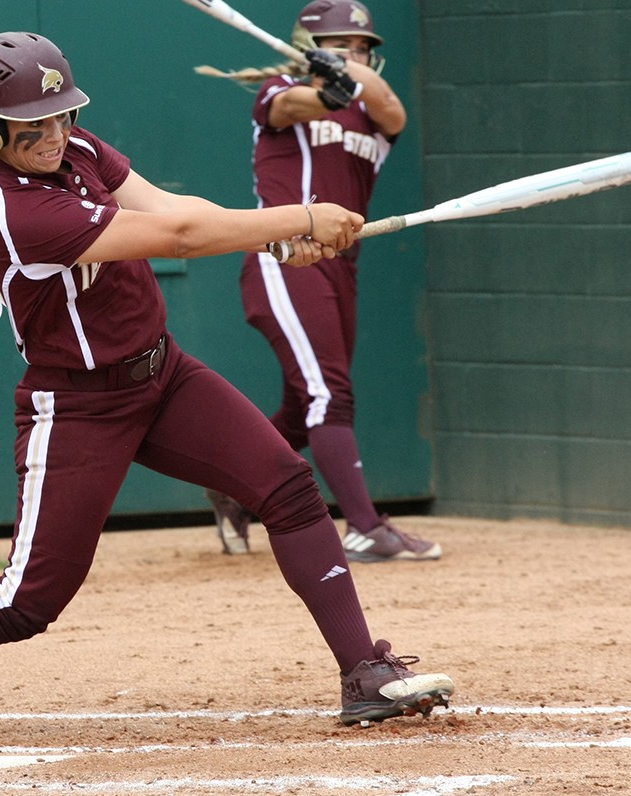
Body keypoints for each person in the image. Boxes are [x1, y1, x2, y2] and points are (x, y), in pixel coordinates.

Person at [0, 30, 453, 739]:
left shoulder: (82, 149)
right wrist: (301, 217)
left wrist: (278, 238)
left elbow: (168, 207)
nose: (54, 132)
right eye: (32, 123)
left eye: (62, 112)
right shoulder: (21, 212)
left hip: (163, 375)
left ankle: (364, 674)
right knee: (29, 601)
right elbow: (180, 238)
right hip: (77, 407)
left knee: (288, 487)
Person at [197, 0, 443, 563]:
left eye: (362, 48)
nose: (356, 55)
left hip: (340, 266)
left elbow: (389, 108)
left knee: (305, 404)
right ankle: (363, 526)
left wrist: (345, 73)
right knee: (328, 393)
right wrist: (326, 85)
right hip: (285, 258)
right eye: (341, 45)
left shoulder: (375, 114)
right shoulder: (278, 90)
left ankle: (233, 489)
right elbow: (291, 106)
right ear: (307, 48)